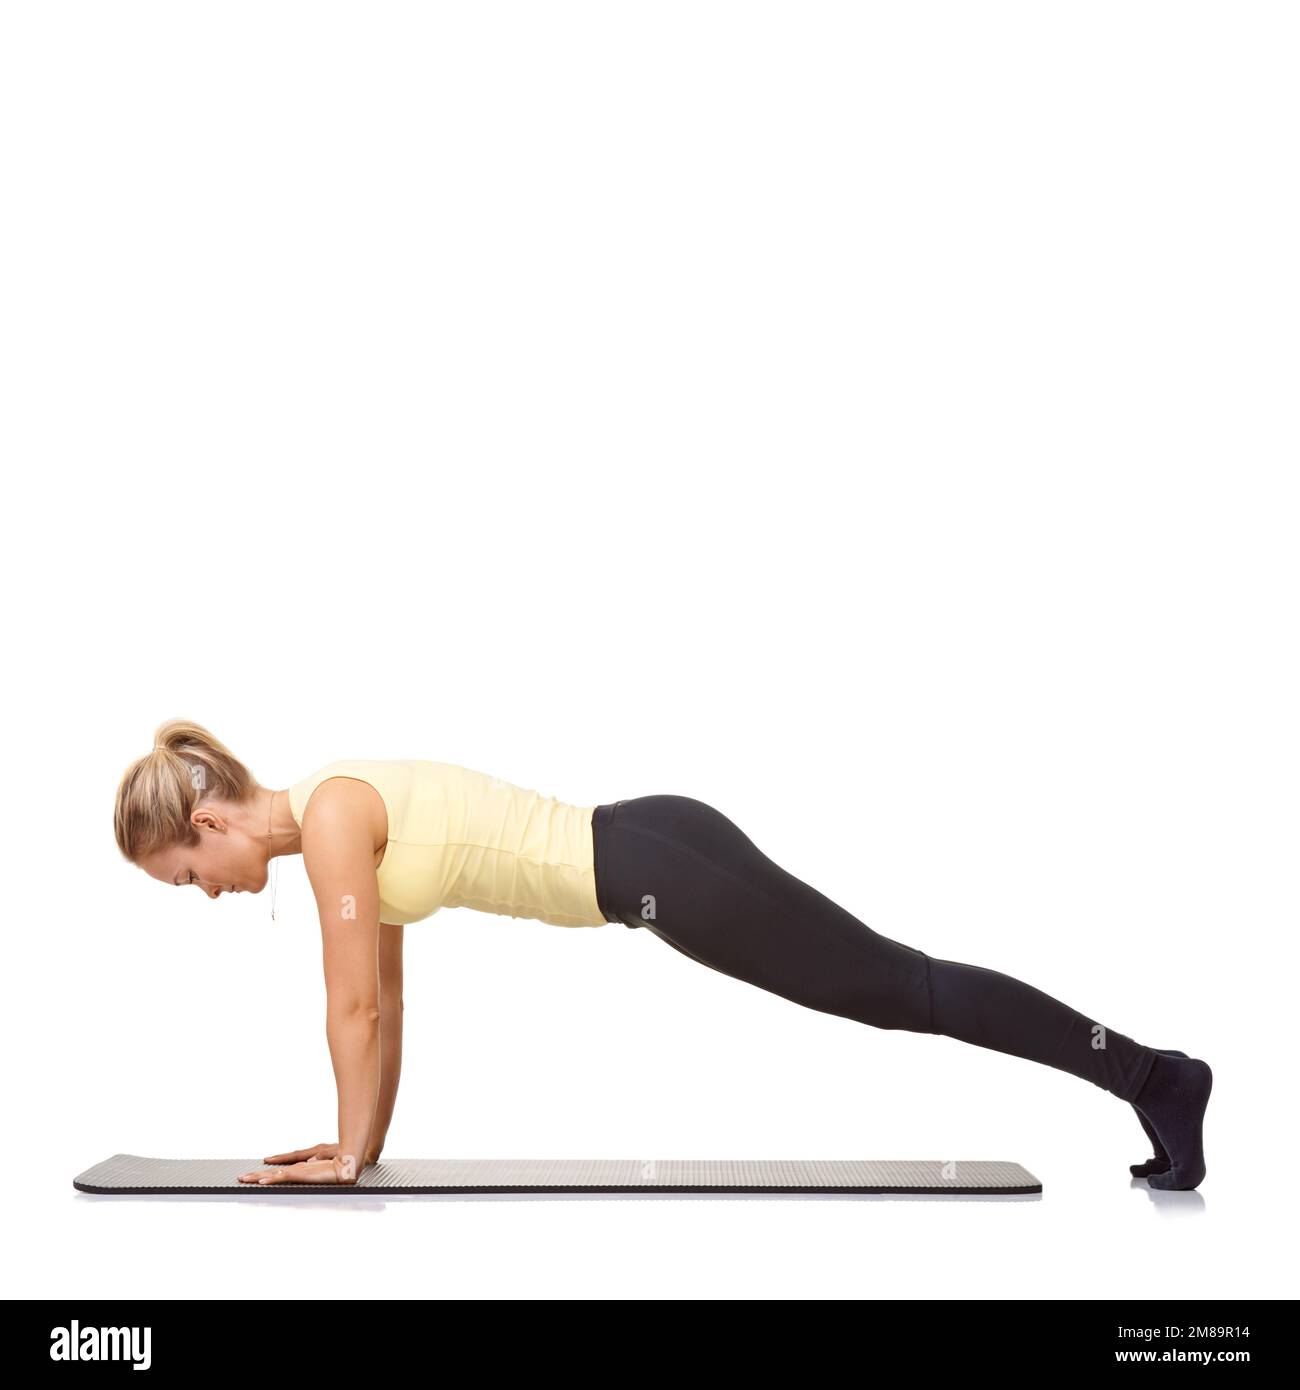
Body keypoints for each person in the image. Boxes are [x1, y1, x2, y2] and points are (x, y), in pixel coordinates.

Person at [113, 721, 1213, 1191]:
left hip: (656, 867)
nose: (204, 896)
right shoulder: (339, 817)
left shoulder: (338, 816)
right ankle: (1154, 1079)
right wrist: (359, 1148)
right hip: (652, 855)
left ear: (206, 827)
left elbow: (348, 1009)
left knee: (898, 988)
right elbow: (381, 1009)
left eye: (186, 879)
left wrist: (348, 1162)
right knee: (893, 985)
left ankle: (1155, 1074)